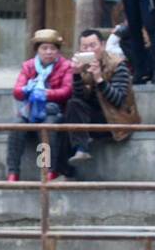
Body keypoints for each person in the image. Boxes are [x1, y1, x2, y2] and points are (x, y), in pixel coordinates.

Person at [53, 26, 138, 177]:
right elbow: (79, 99)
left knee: (65, 120)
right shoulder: (82, 65)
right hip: (90, 117)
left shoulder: (118, 65)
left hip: (116, 120)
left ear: (103, 45)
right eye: (85, 47)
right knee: (64, 115)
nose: (89, 50)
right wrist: (77, 75)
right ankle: (64, 165)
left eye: (93, 45)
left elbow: (118, 101)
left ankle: (63, 168)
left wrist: (99, 79)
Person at [6, 28, 72, 182]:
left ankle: (47, 170)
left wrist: (45, 94)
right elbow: (17, 90)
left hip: (53, 111)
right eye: (44, 48)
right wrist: (27, 90)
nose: (48, 52)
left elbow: (66, 91)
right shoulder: (28, 66)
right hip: (30, 110)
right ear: (37, 50)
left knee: (47, 128)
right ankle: (13, 171)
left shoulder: (65, 66)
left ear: (58, 50)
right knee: (17, 126)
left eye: (52, 48)